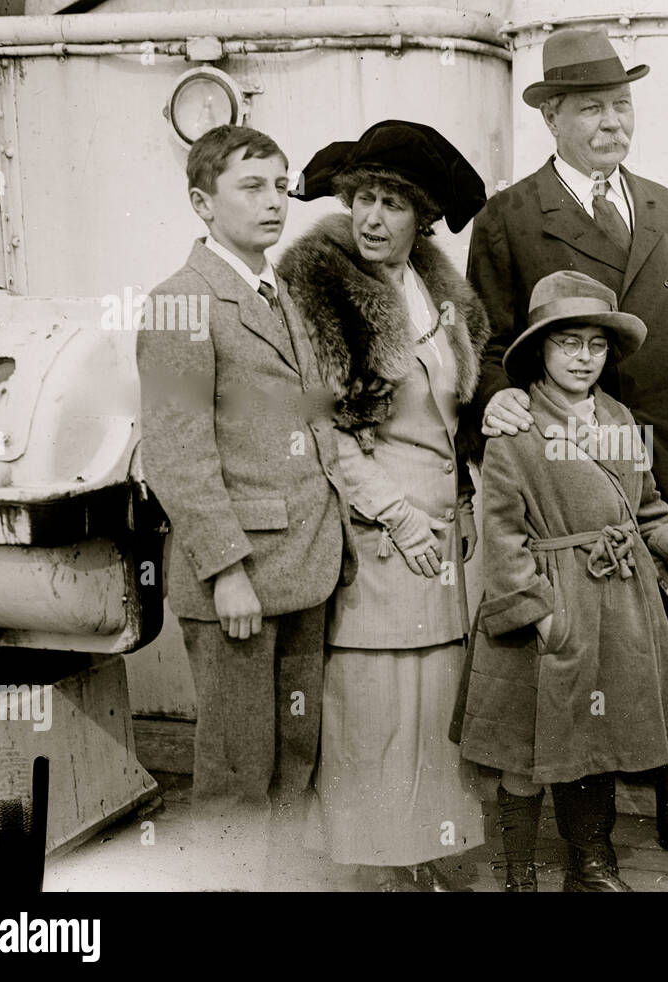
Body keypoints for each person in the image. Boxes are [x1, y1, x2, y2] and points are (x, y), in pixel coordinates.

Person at [466, 26, 668, 882]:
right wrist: (496, 399)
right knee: (581, 668)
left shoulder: (664, 205)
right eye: (594, 108)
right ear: (553, 117)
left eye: (623, 105)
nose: (613, 123)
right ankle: (591, 846)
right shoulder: (510, 218)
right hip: (567, 477)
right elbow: (489, 343)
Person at [136, 124, 357, 890]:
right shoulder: (178, 305)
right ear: (202, 203)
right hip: (240, 581)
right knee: (236, 771)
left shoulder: (281, 292)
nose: (275, 201)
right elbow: (176, 452)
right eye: (251, 187)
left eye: (280, 183)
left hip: (304, 569)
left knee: (295, 757)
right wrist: (227, 569)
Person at [279, 120, 491, 891]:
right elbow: (321, 429)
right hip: (375, 528)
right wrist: (395, 516)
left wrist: (460, 504)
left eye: (391, 204)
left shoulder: (435, 285)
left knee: (435, 700)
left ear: (422, 217)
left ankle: (423, 852)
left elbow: (450, 414)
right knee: (372, 702)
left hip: (444, 522)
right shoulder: (317, 286)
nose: (371, 218)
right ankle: (371, 866)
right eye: (361, 199)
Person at [454, 270, 668, 892]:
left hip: (619, 601)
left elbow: (646, 508)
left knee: (595, 740)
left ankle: (589, 861)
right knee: (527, 749)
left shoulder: (621, 418)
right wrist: (541, 614)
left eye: (595, 344)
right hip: (550, 600)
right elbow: (503, 534)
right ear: (540, 347)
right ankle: (517, 869)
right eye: (567, 342)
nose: (582, 357)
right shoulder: (514, 427)